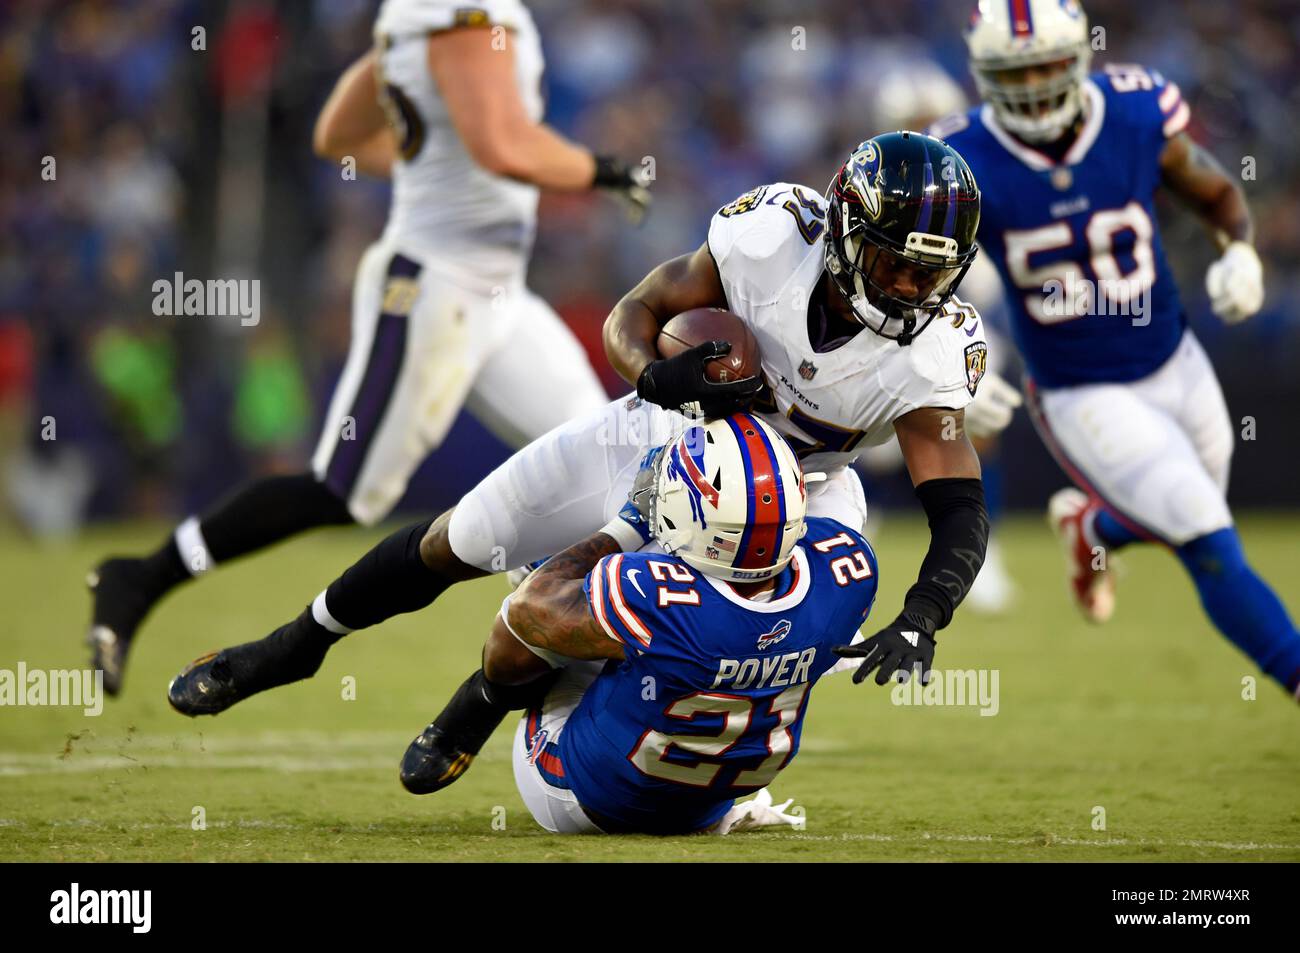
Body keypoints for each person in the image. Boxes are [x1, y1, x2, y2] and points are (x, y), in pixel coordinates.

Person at [168, 133, 996, 786]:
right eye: (895, 263)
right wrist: (658, 374)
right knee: (460, 537)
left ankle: (492, 698)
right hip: (663, 436)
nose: (911, 290)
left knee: (704, 643)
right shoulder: (773, 235)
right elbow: (634, 313)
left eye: (932, 274)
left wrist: (928, 608)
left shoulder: (930, 354)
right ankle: (293, 645)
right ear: (848, 230)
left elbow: (957, 502)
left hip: (801, 495)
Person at [85, 0, 651, 695]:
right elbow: (504, 144)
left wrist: (431, 170)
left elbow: (338, 136)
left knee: (601, 457)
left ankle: (580, 675)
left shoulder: (426, 19)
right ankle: (143, 576)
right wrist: (606, 169)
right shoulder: (461, 14)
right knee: (346, 489)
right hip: (435, 286)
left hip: (501, 292)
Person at [934, 0, 1300, 698]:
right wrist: (957, 372)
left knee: (1190, 510)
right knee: (1208, 539)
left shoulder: (1133, 113)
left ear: (1078, 59)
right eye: (1017, 71)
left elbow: (1215, 190)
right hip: (1080, 389)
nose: (1037, 84)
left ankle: (1094, 524)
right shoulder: (963, 157)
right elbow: (921, 286)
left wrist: (1241, 251)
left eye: (1047, 64)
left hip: (1176, 357)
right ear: (983, 74)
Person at [488, 414, 884, 834]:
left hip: (581, 798)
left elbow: (528, 608)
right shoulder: (849, 574)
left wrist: (630, 524)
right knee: (646, 644)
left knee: (550, 585)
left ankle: (475, 706)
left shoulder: (651, 594)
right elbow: (836, 489)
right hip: (703, 808)